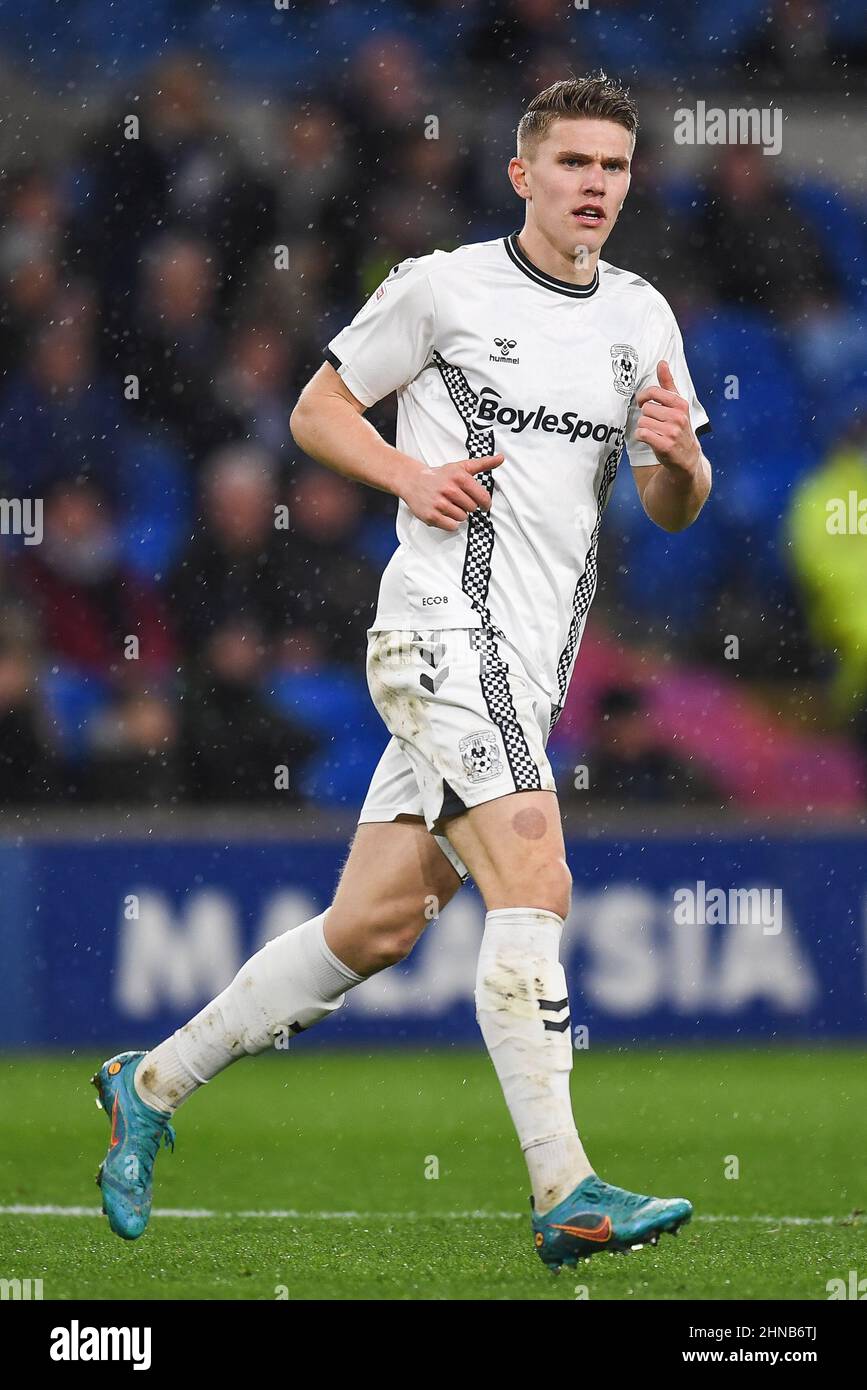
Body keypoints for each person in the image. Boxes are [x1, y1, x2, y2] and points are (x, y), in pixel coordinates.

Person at [92, 73, 712, 1271]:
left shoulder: (642, 316)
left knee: (373, 925)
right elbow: (319, 409)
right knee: (532, 856)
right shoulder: (443, 285)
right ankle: (566, 1187)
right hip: (438, 629)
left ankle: (152, 1082)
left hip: (526, 667)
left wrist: (679, 463)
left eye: (615, 167)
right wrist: (407, 477)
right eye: (573, 163)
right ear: (524, 174)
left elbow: (672, 507)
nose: (596, 185)